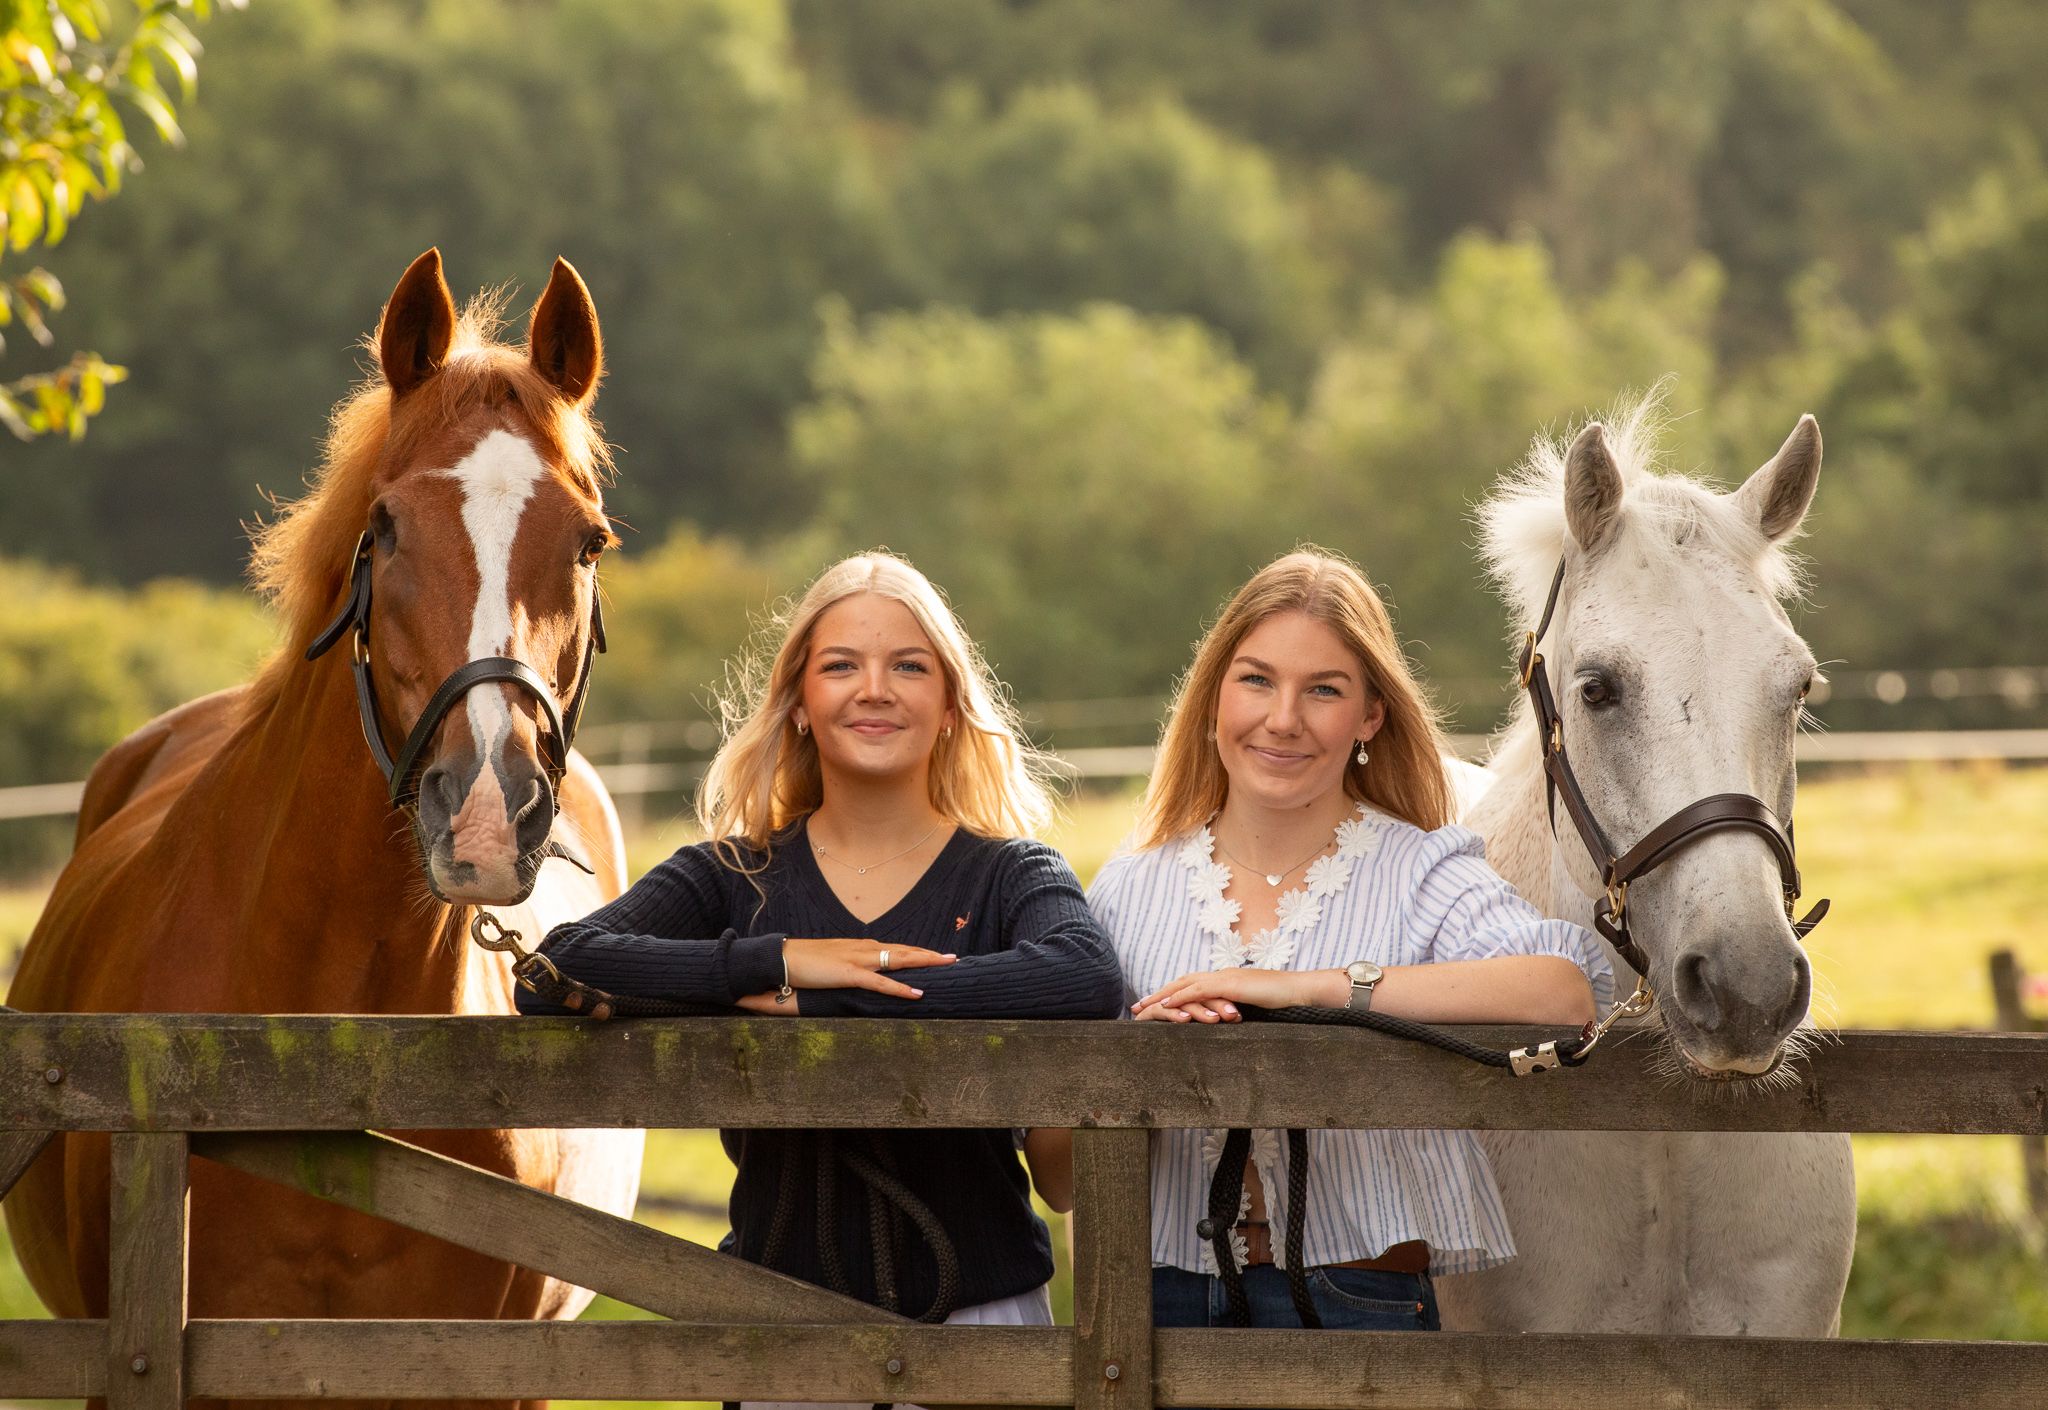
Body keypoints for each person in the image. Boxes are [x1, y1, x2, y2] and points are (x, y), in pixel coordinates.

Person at [516, 552, 1123, 1395]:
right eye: (841, 665)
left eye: (908, 666)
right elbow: (553, 971)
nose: (874, 688)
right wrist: (777, 961)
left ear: (949, 705)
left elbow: (1084, 977)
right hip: (777, 1331)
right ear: (800, 703)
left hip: (986, 1328)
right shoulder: (733, 875)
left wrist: (830, 998)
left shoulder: (1011, 873)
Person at [1079, 548, 1611, 1333]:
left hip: (1363, 1302)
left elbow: (1565, 991)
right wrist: (1141, 1069)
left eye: (1323, 690)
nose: (1283, 718)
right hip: (1162, 1304)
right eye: (1256, 680)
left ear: (1369, 717)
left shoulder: (1420, 870)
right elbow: (1061, 1180)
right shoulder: (1127, 889)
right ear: (1214, 697)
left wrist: (1315, 989)